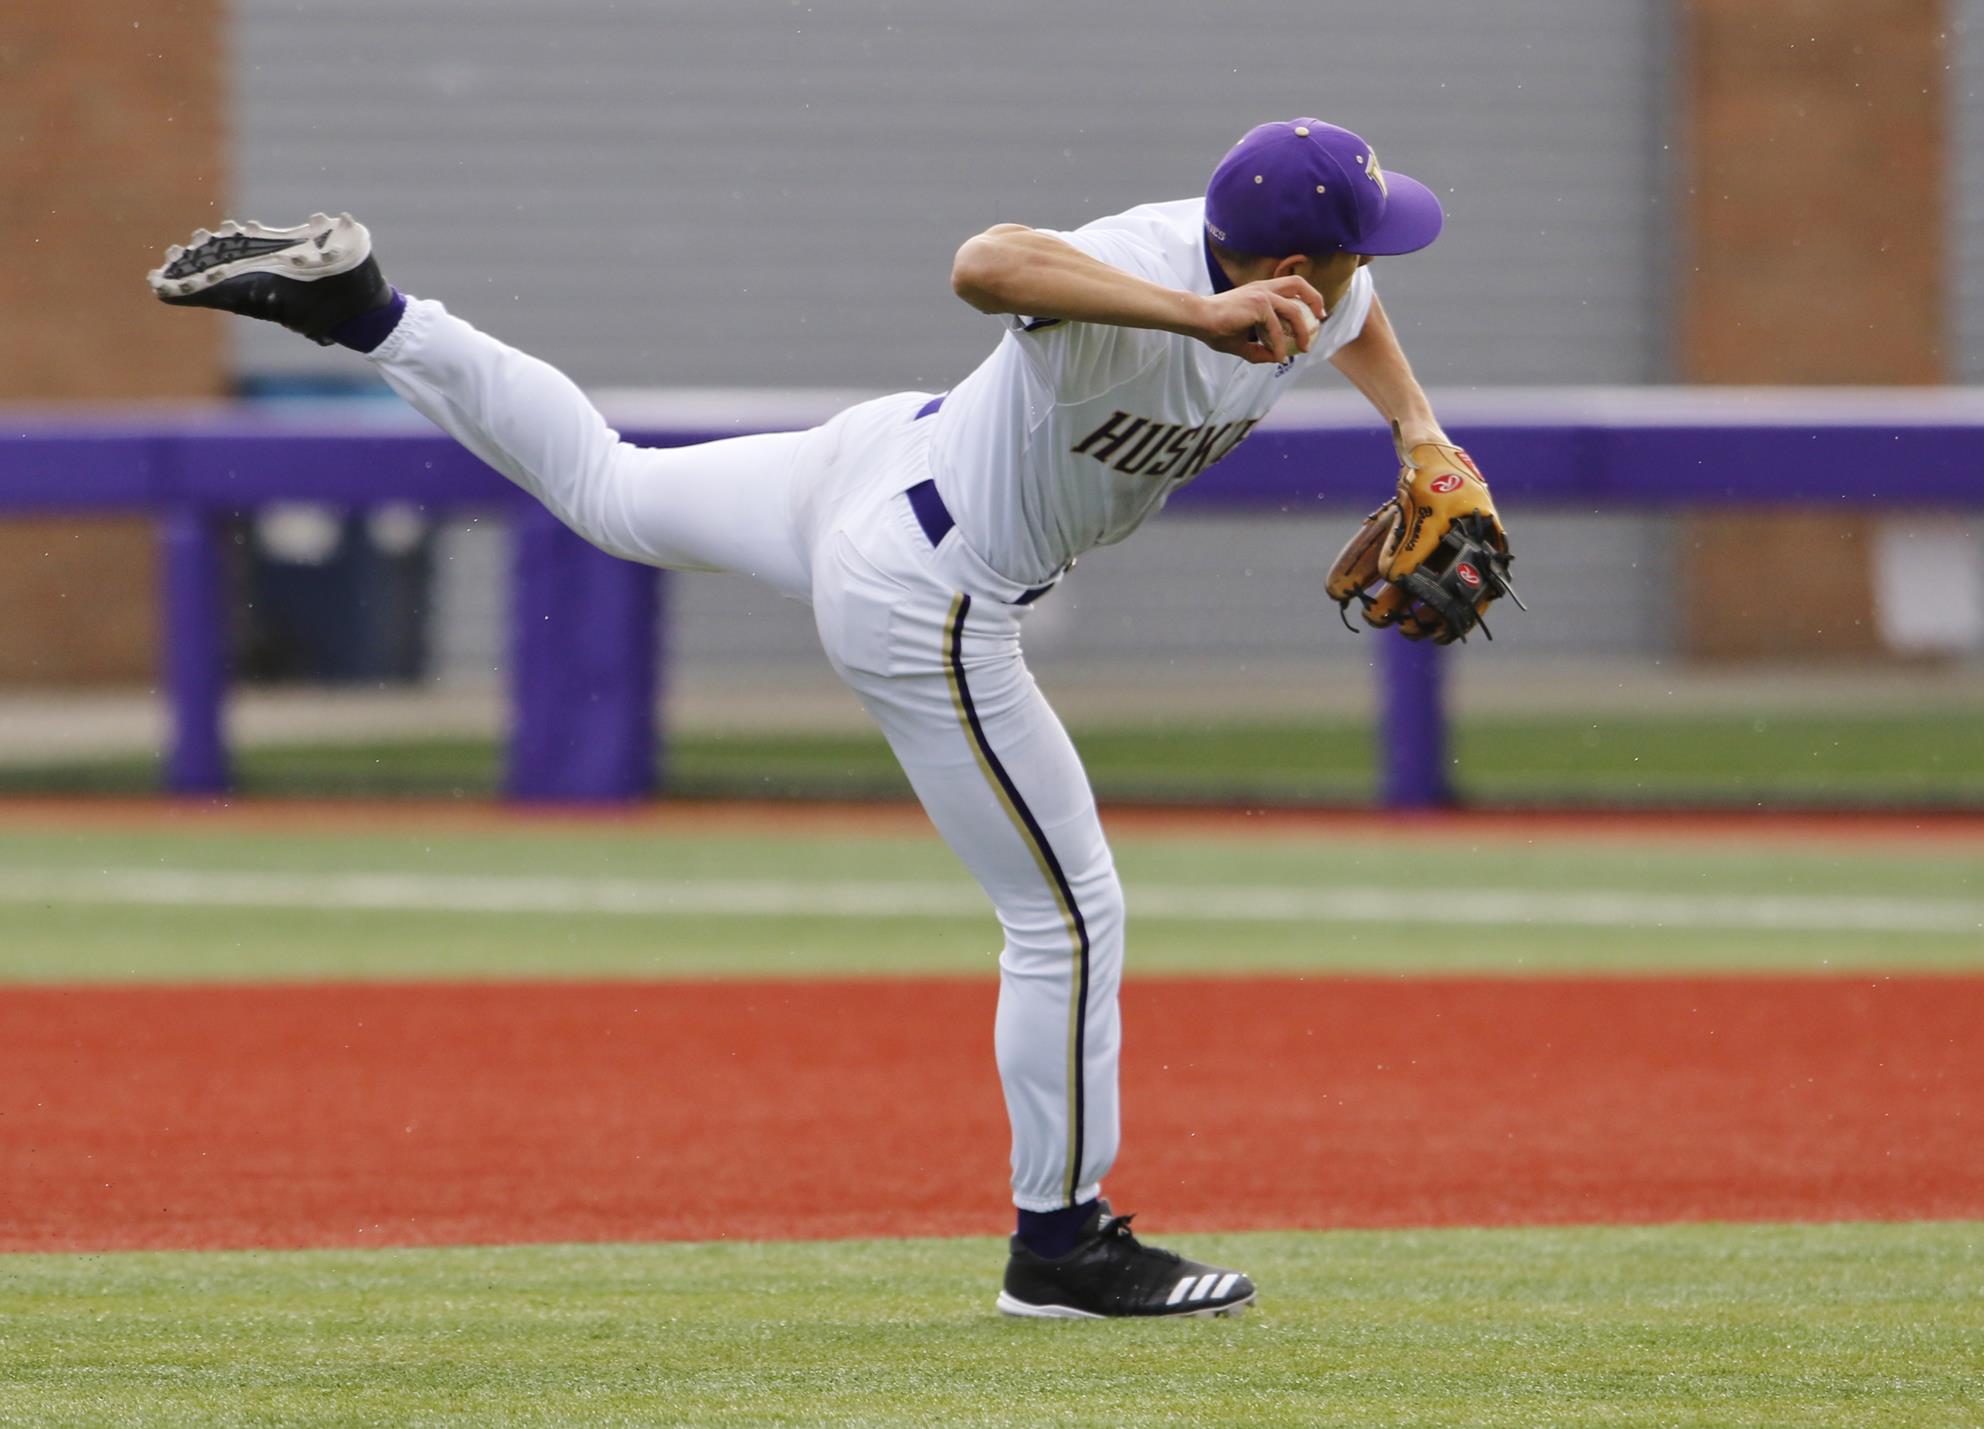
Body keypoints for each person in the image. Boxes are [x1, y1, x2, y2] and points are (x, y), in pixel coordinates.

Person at [151, 117, 1454, 1319]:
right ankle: (1061, 1246)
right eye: (1362, 246)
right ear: (1287, 262)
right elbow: (985, 264)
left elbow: (1359, 317)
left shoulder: (1303, 284)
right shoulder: (1148, 270)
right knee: (1065, 914)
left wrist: (1421, 437)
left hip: (889, 462)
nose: (1372, 269)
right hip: (929, 592)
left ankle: (371, 312)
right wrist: (1193, 313)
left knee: (611, 490)